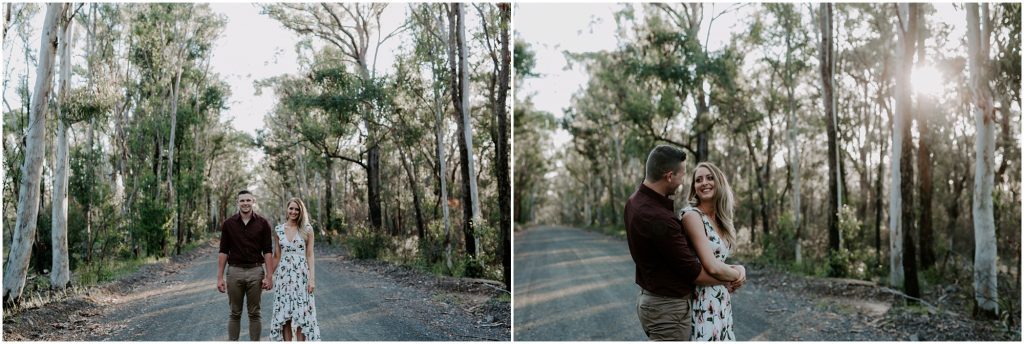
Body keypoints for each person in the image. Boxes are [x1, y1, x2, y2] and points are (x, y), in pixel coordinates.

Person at [625, 145, 739, 341]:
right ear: (670, 176)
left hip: (698, 302)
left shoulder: (636, 202)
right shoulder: (665, 217)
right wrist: (737, 274)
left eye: (710, 177)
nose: (684, 180)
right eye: (688, 176)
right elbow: (694, 272)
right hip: (672, 306)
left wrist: (729, 275)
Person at [680, 162, 745, 341]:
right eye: (698, 180)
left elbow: (718, 262)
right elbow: (712, 267)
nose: (704, 183)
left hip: (720, 299)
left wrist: (740, 268)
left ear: (719, 181)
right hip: (701, 301)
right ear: (694, 188)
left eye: (710, 178)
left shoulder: (721, 219)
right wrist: (737, 274)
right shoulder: (692, 216)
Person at [217, 190, 275, 341]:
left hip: (256, 271)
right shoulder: (228, 224)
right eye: (242, 200)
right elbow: (223, 251)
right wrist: (219, 278)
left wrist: (269, 276)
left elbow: (268, 251)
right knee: (235, 313)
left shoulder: (263, 224)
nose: (245, 203)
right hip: (234, 272)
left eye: (248, 200)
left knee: (255, 313)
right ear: (238, 203)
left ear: (253, 201)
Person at [270, 198, 321, 341]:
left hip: (301, 276)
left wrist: (311, 279)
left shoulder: (307, 229)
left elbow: (310, 255)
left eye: (297, 209)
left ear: (301, 211)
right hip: (284, 277)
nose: (293, 212)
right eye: (291, 208)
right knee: (284, 315)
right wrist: (268, 276)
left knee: (302, 314)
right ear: (287, 210)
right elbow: (277, 256)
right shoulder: (279, 230)